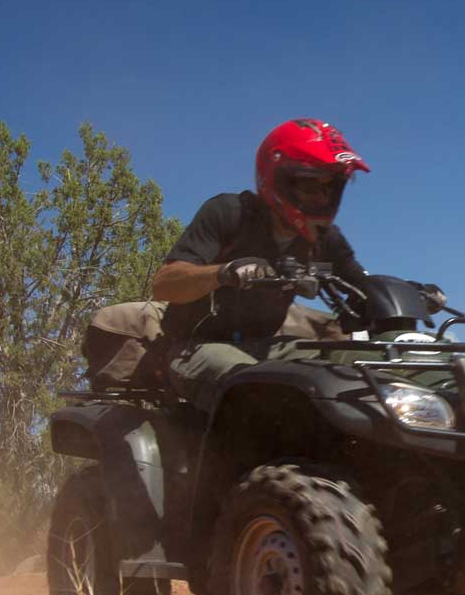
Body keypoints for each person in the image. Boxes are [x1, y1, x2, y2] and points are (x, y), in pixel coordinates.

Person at [150, 117, 368, 404]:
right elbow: (164, 285)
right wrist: (224, 273)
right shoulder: (229, 213)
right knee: (257, 388)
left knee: (361, 370)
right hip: (195, 347)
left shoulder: (325, 239)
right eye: (311, 186)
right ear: (277, 179)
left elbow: (364, 288)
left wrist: (413, 294)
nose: (322, 199)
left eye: (331, 188)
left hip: (268, 348)